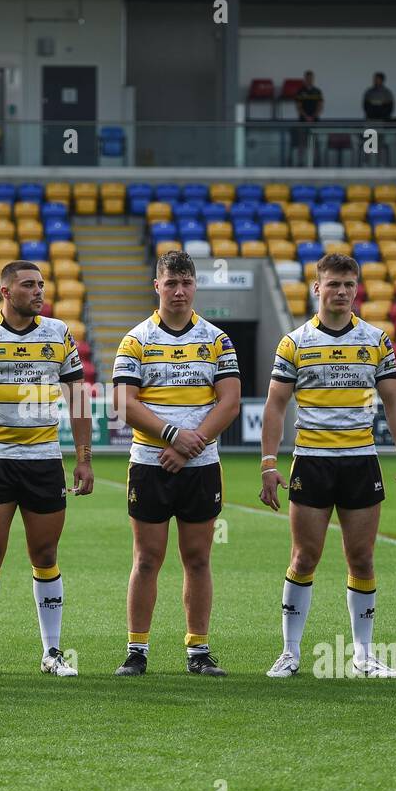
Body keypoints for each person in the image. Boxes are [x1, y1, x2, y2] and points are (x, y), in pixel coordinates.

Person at [259, 254, 396, 678]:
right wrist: (268, 463)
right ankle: (291, 652)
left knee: (362, 559)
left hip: (360, 461)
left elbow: (394, 401)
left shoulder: (376, 340)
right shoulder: (294, 343)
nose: (342, 292)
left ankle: (363, 655)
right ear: (317, 289)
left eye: (349, 284)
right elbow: (275, 407)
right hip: (312, 461)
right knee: (304, 556)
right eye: (333, 284)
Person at [0, 260, 93, 677]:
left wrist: (83, 459)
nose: (38, 291)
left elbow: (77, 398)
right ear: (6, 291)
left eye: (41, 285)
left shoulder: (59, 334)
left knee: (45, 553)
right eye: (29, 285)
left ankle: (52, 652)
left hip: (44, 460)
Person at [111, 250, 241, 677]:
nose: (179, 291)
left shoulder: (217, 339)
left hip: (200, 465)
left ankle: (198, 651)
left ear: (195, 285)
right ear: (157, 286)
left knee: (198, 559)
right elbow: (123, 403)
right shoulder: (136, 340)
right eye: (171, 283)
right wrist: (171, 435)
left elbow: (230, 400)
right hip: (149, 463)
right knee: (147, 559)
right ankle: (137, 650)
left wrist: (192, 443)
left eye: (186, 283)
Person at [293, 70, 324, 164]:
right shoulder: (300, 92)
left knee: (315, 143)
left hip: (315, 121)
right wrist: (306, 117)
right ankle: (300, 163)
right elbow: (298, 107)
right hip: (302, 121)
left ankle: (316, 162)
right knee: (301, 143)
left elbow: (320, 106)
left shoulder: (317, 91)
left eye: (311, 78)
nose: (309, 80)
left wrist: (313, 116)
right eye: (308, 78)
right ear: (305, 79)